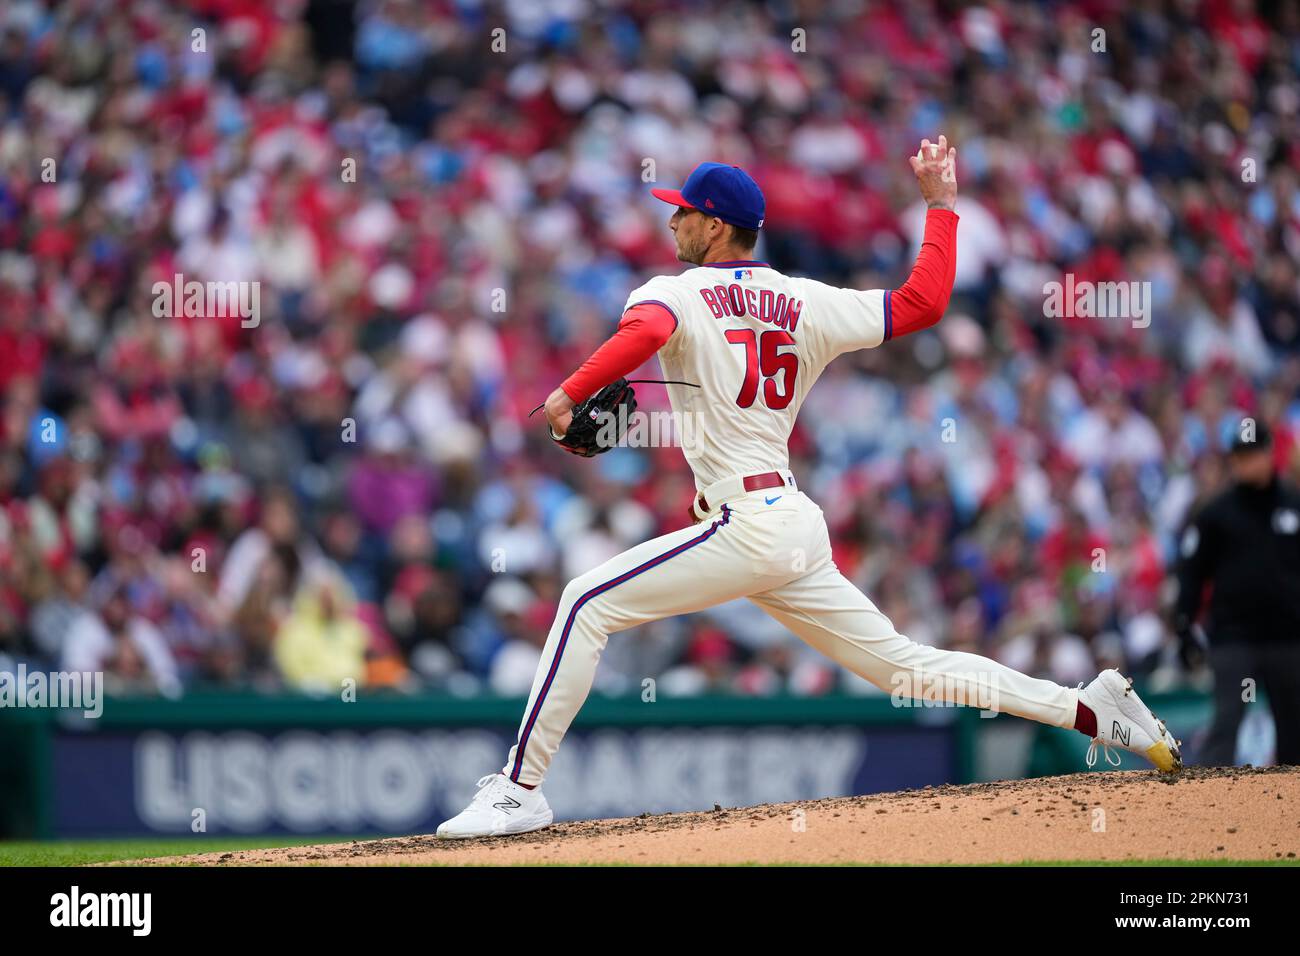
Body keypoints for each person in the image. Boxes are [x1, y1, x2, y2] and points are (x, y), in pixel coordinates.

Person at [437, 139, 1182, 839]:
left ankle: (519, 789)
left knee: (583, 603)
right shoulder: (809, 300)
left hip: (746, 522)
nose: (672, 219)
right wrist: (942, 203)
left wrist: (569, 392)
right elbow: (923, 302)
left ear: (718, 226)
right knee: (905, 667)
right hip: (788, 523)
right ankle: (1089, 708)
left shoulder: (677, 292)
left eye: (684, 211)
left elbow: (643, 335)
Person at [1173, 420, 1300, 765]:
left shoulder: (1293, 505)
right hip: (1235, 638)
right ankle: (1210, 809)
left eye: (1253, 455)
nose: (1246, 464)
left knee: (1295, 730)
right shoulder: (1216, 514)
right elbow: (1192, 572)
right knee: (1226, 723)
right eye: (1240, 457)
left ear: (1270, 453)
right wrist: (1184, 627)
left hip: (1288, 638)